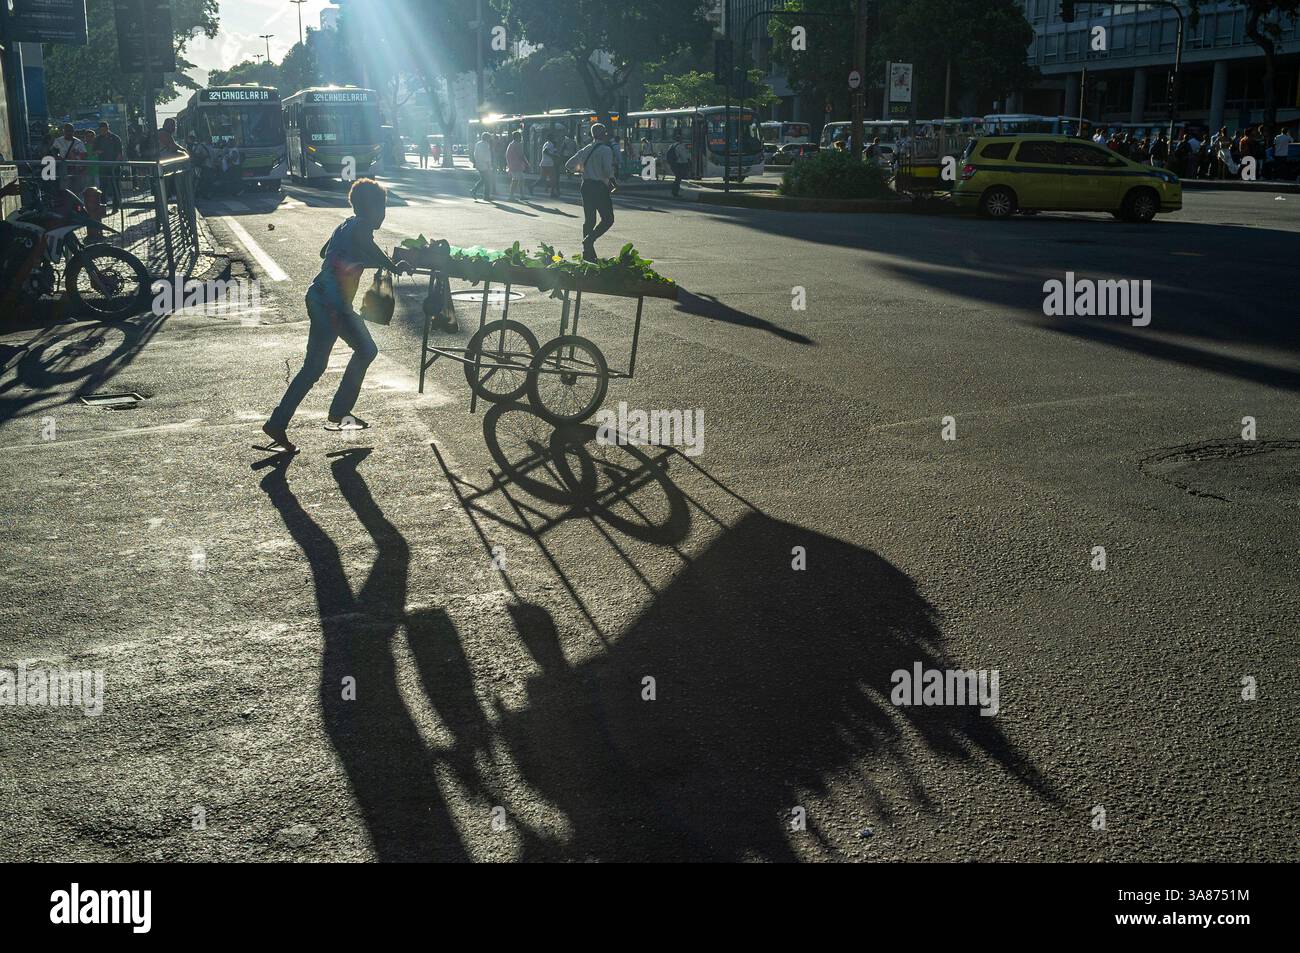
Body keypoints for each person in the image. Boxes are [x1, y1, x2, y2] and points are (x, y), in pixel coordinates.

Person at [263, 178, 413, 451]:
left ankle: (280, 422)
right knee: (365, 350)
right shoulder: (361, 226)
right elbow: (364, 246)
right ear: (370, 208)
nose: (383, 214)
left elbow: (329, 251)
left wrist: (367, 259)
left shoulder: (346, 225)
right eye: (382, 208)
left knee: (315, 367)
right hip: (333, 305)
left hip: (319, 297)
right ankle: (335, 411)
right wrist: (391, 264)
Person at [565, 121, 617, 261]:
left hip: (586, 186)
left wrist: (582, 170)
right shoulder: (606, 150)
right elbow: (607, 171)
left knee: (589, 220)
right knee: (608, 219)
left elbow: (569, 164)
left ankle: (588, 252)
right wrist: (611, 178)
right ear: (604, 134)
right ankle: (589, 240)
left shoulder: (586, 148)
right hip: (599, 187)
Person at [95, 121, 124, 212]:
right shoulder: (98, 139)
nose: (103, 131)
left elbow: (119, 153)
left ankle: (116, 206)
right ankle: (103, 207)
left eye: (104, 129)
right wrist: (98, 152)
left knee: (115, 186)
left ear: (108, 128)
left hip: (114, 166)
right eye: (101, 130)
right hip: (103, 166)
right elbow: (94, 151)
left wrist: (115, 164)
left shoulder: (115, 138)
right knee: (103, 187)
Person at [471, 131, 495, 201]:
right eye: (489, 138)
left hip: (479, 164)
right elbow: (487, 156)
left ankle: (475, 191)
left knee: (484, 180)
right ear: (487, 138)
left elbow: (475, 154)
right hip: (485, 165)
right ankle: (485, 196)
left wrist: (476, 162)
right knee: (487, 181)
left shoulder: (478, 144)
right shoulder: (486, 145)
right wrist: (489, 166)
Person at [505, 131, 529, 200]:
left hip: (513, 165)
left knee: (521, 179)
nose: (521, 137)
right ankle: (511, 196)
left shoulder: (511, 144)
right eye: (520, 136)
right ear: (516, 137)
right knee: (515, 180)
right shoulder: (517, 144)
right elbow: (521, 155)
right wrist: (527, 163)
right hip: (516, 165)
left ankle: (521, 195)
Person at [666, 130, 689, 197]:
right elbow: (684, 156)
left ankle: (674, 191)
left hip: (673, 164)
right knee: (678, 178)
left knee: (677, 178)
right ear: (681, 140)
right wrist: (688, 162)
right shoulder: (680, 146)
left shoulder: (672, 145)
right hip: (679, 164)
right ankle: (675, 191)